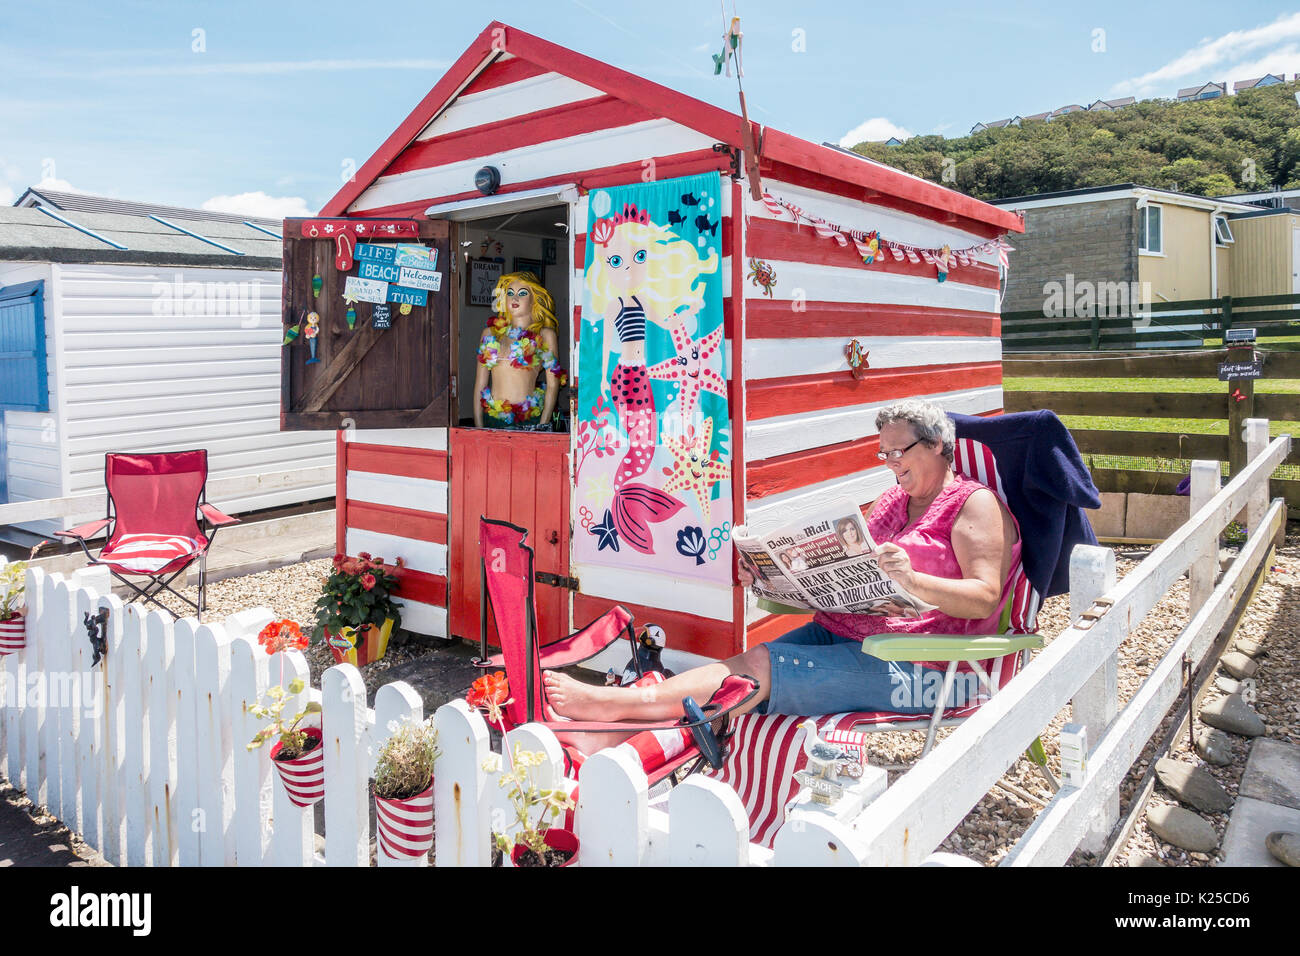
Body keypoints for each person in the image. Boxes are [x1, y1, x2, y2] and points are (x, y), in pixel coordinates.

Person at [544, 398, 1021, 722]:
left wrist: (913, 580)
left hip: (920, 667)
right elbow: (847, 571)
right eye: (883, 453)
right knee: (742, 664)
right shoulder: (893, 500)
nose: (891, 462)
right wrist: (773, 576)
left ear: (938, 445)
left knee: (760, 670)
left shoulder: (972, 504)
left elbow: (984, 600)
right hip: (849, 630)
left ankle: (615, 707)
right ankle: (635, 722)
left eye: (900, 451)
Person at [474, 272, 566, 429]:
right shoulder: (491, 334)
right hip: (493, 420)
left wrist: (542, 425)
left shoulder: (544, 335)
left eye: (522, 293)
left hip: (530, 420)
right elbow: (480, 385)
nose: (514, 298)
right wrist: (478, 426)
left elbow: (552, 384)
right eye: (510, 293)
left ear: (533, 298)